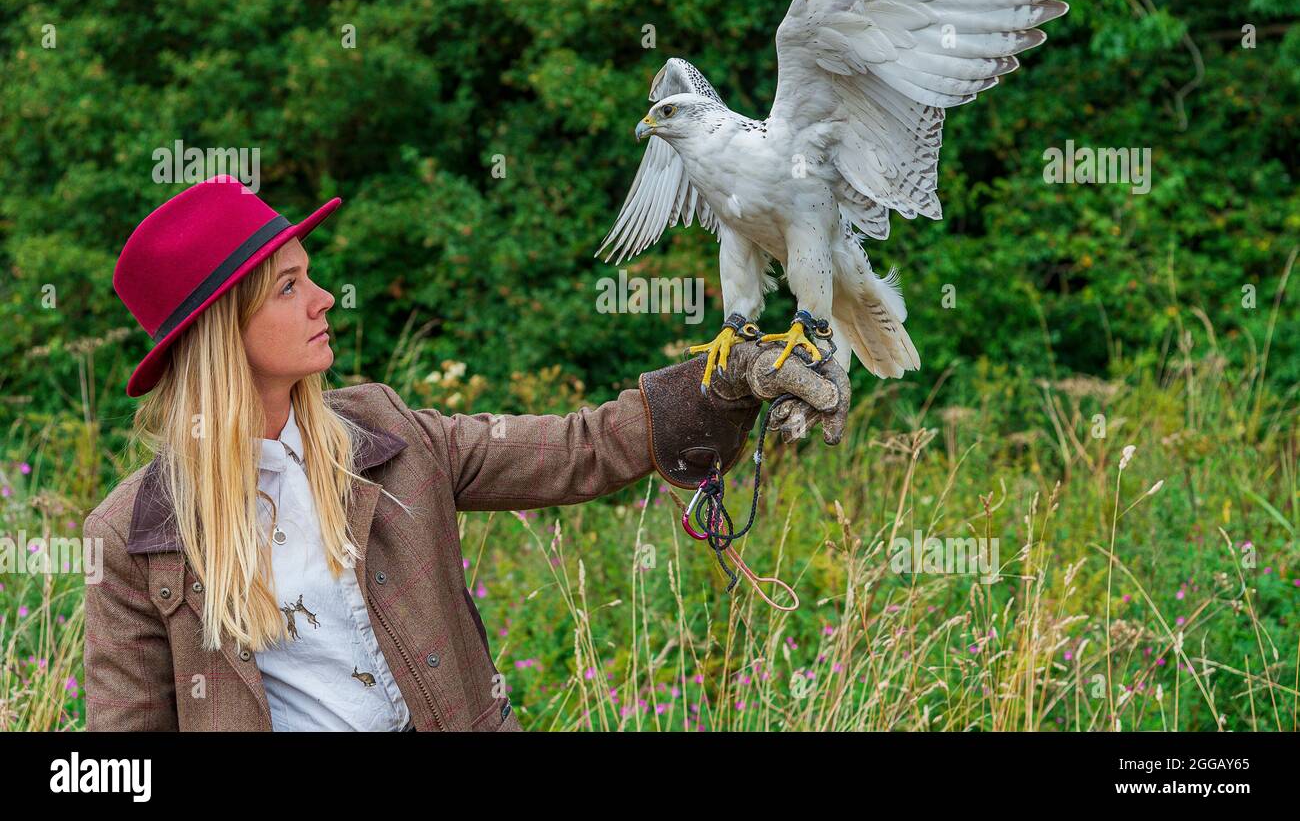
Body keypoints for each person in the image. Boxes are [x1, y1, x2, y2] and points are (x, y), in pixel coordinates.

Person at [83, 174, 849, 731]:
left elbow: (581, 446)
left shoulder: (384, 436)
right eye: (288, 288)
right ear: (223, 332)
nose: (323, 299)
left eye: (310, 276)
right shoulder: (133, 538)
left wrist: (727, 383)